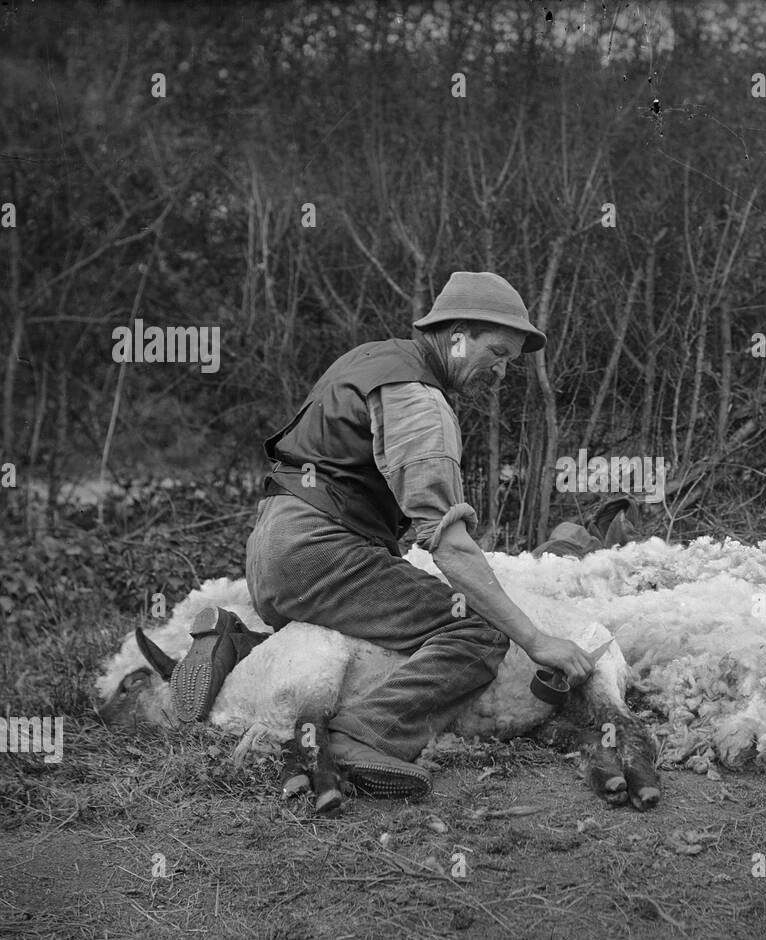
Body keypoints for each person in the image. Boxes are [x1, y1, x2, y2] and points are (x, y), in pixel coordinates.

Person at [168, 271, 596, 798]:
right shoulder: (418, 401)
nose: (503, 372)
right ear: (458, 334)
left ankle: (240, 643)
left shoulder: (370, 358)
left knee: (365, 640)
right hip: (319, 552)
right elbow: (450, 546)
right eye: (499, 352)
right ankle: (359, 739)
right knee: (477, 631)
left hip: (273, 550)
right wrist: (536, 639)